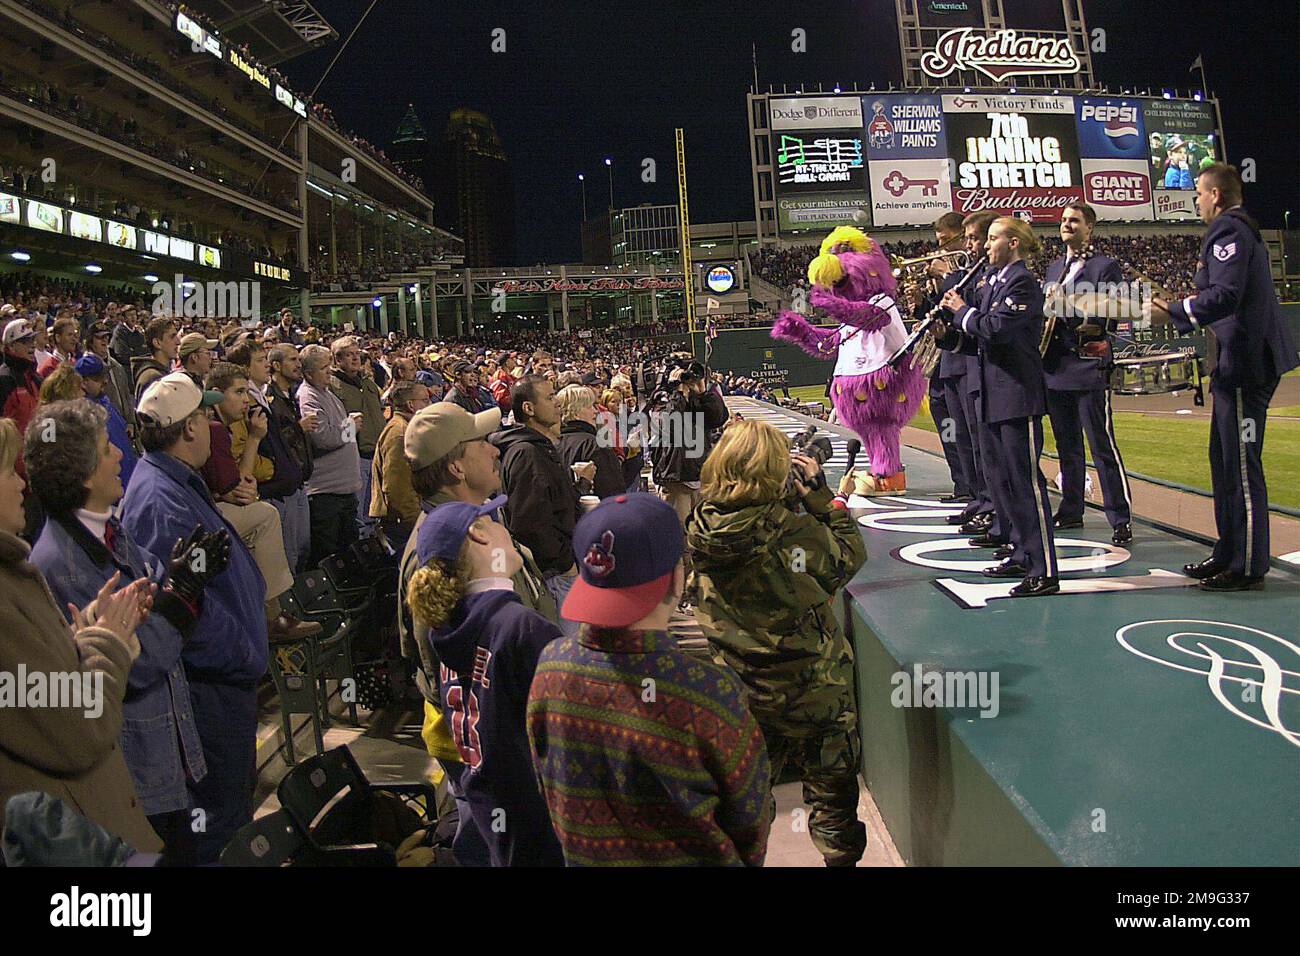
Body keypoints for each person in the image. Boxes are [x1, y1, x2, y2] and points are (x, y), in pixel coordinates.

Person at [26, 400, 231, 863]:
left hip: (166, 754)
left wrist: (173, 587)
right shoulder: (62, 564)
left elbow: (150, 595)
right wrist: (180, 597)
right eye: (105, 450)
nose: (121, 454)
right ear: (82, 474)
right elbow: (138, 661)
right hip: (139, 774)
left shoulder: (108, 528)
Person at [527, 493, 772, 867]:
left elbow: (547, 784)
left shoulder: (550, 666)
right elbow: (750, 824)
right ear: (678, 577)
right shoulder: (709, 692)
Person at [686, 419, 867, 866]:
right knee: (832, 800)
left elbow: (745, 522)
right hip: (814, 690)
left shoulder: (701, 526)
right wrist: (822, 498)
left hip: (739, 690)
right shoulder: (794, 531)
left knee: (747, 802)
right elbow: (848, 557)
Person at [119, 372, 271, 863]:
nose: (213, 424)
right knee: (216, 829)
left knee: (229, 816)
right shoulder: (160, 500)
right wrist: (244, 656)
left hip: (225, 684)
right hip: (210, 690)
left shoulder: (176, 481)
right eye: (206, 416)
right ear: (187, 428)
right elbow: (184, 612)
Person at [398, 400, 557, 866]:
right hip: (492, 744)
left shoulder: (476, 523)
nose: (493, 450)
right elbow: (445, 663)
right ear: (455, 466)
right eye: (480, 443)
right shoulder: (437, 545)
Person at [0, 417, 162, 854]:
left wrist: (84, 628)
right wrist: (107, 640)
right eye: (8, 473)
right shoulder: (35, 570)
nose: (22, 485)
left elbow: (37, 682)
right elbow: (76, 728)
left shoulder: (16, 573)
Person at [1149, 163, 1300, 590]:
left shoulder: (1228, 230)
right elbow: (1216, 290)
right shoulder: (1231, 232)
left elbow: (1227, 295)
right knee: (1225, 463)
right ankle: (1228, 550)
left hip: (1247, 366)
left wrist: (1177, 310)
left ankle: (1248, 564)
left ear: (1215, 195)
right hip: (1235, 365)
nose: (1196, 199)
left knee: (1242, 466)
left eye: (1199, 192)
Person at [938, 216, 1060, 597]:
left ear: (1014, 244)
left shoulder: (1022, 282)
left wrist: (961, 311)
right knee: (1004, 483)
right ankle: (1023, 553)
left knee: (1026, 483)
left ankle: (1046, 568)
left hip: (1017, 395)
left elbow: (995, 329)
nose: (986, 246)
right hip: (993, 395)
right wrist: (947, 335)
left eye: (993, 239)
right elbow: (979, 342)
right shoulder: (994, 281)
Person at [203, 361, 318, 640]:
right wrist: (255, 439)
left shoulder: (224, 425)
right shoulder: (215, 427)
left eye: (247, 393)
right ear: (217, 394)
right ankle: (272, 615)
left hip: (211, 509)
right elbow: (239, 487)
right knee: (264, 514)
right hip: (201, 520)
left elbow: (236, 486)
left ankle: (272, 613)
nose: (246, 401)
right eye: (239, 393)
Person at [1041, 202, 1134, 546]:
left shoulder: (1105, 267)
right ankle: (1070, 508)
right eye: (1064, 220)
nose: (1067, 224)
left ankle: (1120, 517)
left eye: (1074, 220)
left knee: (1101, 445)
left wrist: (1066, 303)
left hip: (1088, 365)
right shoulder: (1053, 268)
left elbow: (1115, 313)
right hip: (1054, 368)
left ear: (1089, 227)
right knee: (1067, 445)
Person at [491, 375, 592, 639]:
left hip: (560, 568)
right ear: (529, 408)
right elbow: (529, 522)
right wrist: (564, 563)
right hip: (554, 574)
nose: (557, 402)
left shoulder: (538, 447)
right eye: (549, 397)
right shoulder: (526, 452)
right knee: (566, 657)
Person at [921, 211, 976, 505]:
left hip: (963, 356)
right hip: (941, 360)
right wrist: (921, 302)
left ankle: (975, 489)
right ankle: (961, 484)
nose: (940, 247)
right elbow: (938, 311)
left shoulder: (967, 268)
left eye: (945, 240)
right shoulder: (951, 270)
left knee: (966, 429)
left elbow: (962, 301)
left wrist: (944, 275)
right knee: (948, 428)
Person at [298, 344, 361, 566]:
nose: (329, 371)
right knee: (329, 556)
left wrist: (348, 424)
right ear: (308, 374)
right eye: (324, 367)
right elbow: (324, 438)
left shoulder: (326, 392)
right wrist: (351, 426)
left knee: (348, 550)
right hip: (326, 493)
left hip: (342, 489)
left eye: (329, 365)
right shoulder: (308, 397)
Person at [650, 359, 729, 525]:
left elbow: (718, 419)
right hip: (678, 477)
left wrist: (703, 393)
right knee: (681, 532)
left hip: (701, 474)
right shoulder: (661, 398)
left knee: (704, 529)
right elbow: (672, 425)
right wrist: (675, 391)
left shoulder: (696, 399)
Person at [266, 343, 315, 573]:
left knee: (303, 547)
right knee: (290, 553)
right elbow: (273, 439)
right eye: (292, 360)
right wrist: (298, 428)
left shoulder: (290, 395)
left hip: (300, 481)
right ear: (276, 365)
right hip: (284, 486)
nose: (298, 365)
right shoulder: (270, 399)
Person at [329, 336, 383, 541]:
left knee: (373, 513)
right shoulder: (332, 386)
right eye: (349, 355)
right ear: (337, 359)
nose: (355, 358)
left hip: (376, 453)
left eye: (357, 354)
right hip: (355, 455)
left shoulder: (368, 382)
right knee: (358, 515)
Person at [370, 380, 431, 551]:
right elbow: (397, 489)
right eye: (425, 400)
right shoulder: (400, 434)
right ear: (411, 405)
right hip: (405, 526)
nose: (430, 404)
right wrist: (418, 523)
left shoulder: (406, 428)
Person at [75, 354, 138, 490]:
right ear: (83, 382)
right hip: (112, 488)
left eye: (105, 375)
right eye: (98, 378)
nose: (105, 381)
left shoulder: (106, 402)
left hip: (129, 479)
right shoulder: (83, 414)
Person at [556, 384, 625, 499]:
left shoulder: (551, 443)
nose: (595, 411)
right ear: (575, 412)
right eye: (590, 406)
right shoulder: (595, 445)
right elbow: (614, 492)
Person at [0, 319, 42, 461]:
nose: (32, 346)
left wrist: (51, 447)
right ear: (11, 346)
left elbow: (47, 418)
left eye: (32, 340)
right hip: (13, 466)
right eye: (25, 342)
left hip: (38, 463)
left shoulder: (35, 378)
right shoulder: (4, 380)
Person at [86, 320, 135, 435]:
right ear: (90, 342)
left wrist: (131, 422)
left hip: (124, 426)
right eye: (100, 337)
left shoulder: (116, 366)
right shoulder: (87, 368)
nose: (105, 340)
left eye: (107, 336)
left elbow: (127, 396)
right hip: (104, 428)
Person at [133, 317, 179, 402]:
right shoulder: (152, 378)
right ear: (157, 343)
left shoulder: (164, 371)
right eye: (172, 337)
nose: (178, 341)